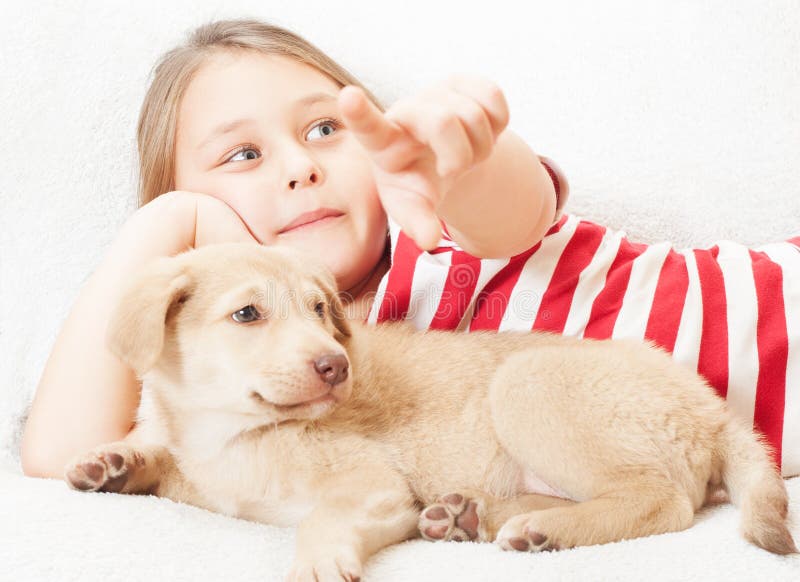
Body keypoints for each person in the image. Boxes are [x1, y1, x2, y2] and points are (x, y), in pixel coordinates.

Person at [21, 18, 799, 481]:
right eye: (241, 157)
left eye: (325, 128)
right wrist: (168, 225)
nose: (301, 167)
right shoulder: (293, 385)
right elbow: (61, 453)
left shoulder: (431, 233)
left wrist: (454, 157)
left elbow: (510, 206)